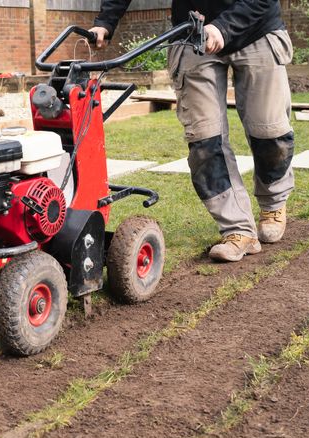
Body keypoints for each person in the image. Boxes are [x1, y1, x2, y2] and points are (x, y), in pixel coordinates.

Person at [89, 0, 295, 262]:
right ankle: (238, 230)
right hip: (192, 36)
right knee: (204, 142)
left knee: (269, 131)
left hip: (257, 29)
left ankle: (273, 203)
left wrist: (223, 26)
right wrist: (106, 21)